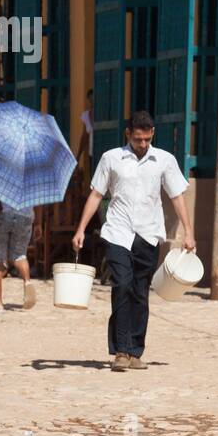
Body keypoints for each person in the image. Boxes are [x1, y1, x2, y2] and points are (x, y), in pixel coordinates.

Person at [72, 112, 195, 372]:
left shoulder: (164, 160)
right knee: (122, 285)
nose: (142, 144)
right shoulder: (111, 158)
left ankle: (135, 350)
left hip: (149, 234)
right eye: (138, 139)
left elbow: (176, 197)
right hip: (117, 232)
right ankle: (120, 350)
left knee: (140, 292)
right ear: (128, 134)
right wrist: (81, 228)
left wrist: (189, 231)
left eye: (147, 139)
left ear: (152, 135)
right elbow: (96, 194)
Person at [0, 200, 39, 312]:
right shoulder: (31, 181)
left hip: (2, 215)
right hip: (26, 215)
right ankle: (27, 282)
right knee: (19, 255)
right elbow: (38, 201)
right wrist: (38, 223)